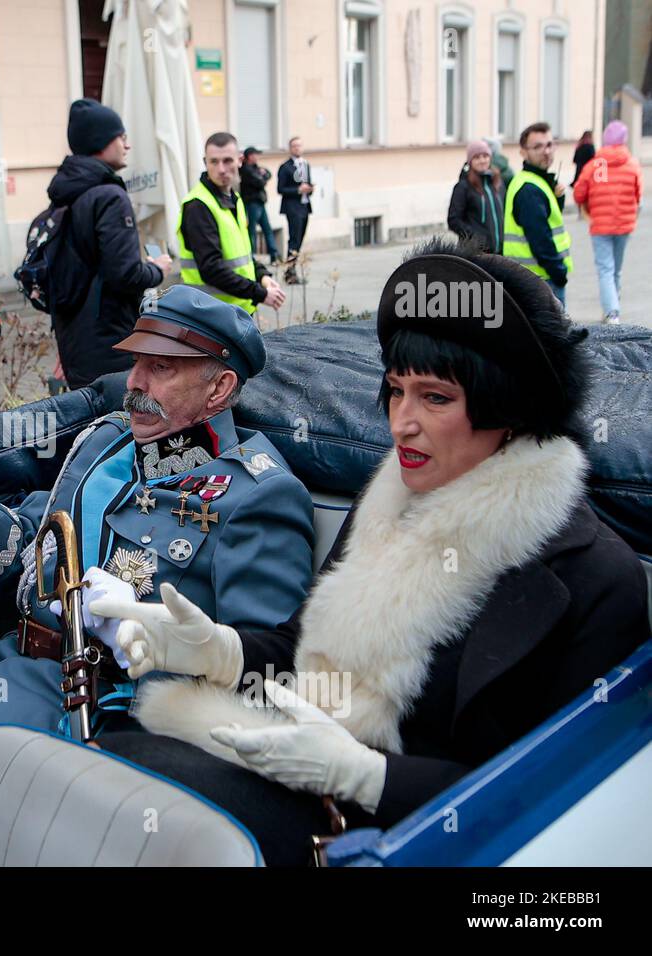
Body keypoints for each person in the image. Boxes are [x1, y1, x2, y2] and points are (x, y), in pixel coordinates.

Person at [91, 238, 649, 866]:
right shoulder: (391, 502)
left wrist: (366, 776)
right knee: (105, 778)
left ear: (512, 413)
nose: (401, 422)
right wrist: (219, 652)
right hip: (297, 774)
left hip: (415, 843)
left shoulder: (594, 578)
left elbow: (557, 802)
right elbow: (305, 658)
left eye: (435, 398)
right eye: (395, 390)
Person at [0, 286, 316, 865]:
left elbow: (266, 678)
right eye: (136, 363)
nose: (135, 383)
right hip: (9, 662)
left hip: (98, 710)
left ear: (219, 388)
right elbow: (23, 562)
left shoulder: (257, 495)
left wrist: (140, 639)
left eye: (162, 369)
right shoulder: (104, 446)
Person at [45, 99, 172, 389]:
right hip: (111, 343)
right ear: (101, 141)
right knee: (121, 427)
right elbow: (126, 275)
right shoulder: (109, 197)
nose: (127, 145)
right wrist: (157, 269)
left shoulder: (66, 195)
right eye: (122, 137)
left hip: (74, 341)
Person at [178, 133, 286, 314]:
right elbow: (211, 269)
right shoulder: (198, 205)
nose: (221, 169)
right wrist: (260, 293)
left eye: (227, 160)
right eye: (214, 162)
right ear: (206, 163)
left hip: (235, 311)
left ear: (239, 161)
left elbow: (242, 254)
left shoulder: (234, 199)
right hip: (212, 315)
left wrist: (262, 275)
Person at [573, 120, 643, 324]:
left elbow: (578, 193)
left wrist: (587, 203)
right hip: (624, 224)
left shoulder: (594, 165)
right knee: (616, 268)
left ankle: (612, 311)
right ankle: (613, 303)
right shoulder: (632, 164)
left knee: (605, 268)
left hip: (600, 225)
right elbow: (638, 193)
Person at [504, 122, 572, 306]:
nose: (546, 151)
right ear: (523, 152)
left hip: (533, 278)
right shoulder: (529, 189)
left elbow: (549, 219)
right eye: (538, 147)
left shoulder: (536, 180)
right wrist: (559, 273)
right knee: (552, 334)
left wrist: (557, 198)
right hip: (541, 280)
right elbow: (540, 239)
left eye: (549, 144)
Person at [446, 140, 505, 253]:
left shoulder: (498, 184)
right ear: (470, 161)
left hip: (499, 253)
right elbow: (453, 220)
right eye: (477, 157)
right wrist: (476, 238)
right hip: (475, 253)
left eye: (485, 156)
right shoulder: (463, 187)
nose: (482, 160)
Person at [276, 136, 313, 284]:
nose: (297, 148)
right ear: (290, 149)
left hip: (305, 206)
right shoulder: (285, 167)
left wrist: (309, 189)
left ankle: (292, 270)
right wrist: (298, 190)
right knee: (294, 240)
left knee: (299, 240)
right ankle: (290, 273)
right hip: (292, 207)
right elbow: (280, 189)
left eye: (299, 146)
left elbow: (308, 184)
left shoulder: (306, 164)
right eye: (294, 146)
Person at [239, 145, 279, 265]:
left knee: (267, 229)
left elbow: (268, 174)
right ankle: (252, 257)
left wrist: (263, 175)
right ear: (250, 156)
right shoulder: (246, 169)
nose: (257, 157)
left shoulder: (255, 168)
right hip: (251, 203)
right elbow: (260, 182)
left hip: (260, 203)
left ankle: (274, 256)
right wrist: (263, 177)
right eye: (255, 154)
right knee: (251, 231)